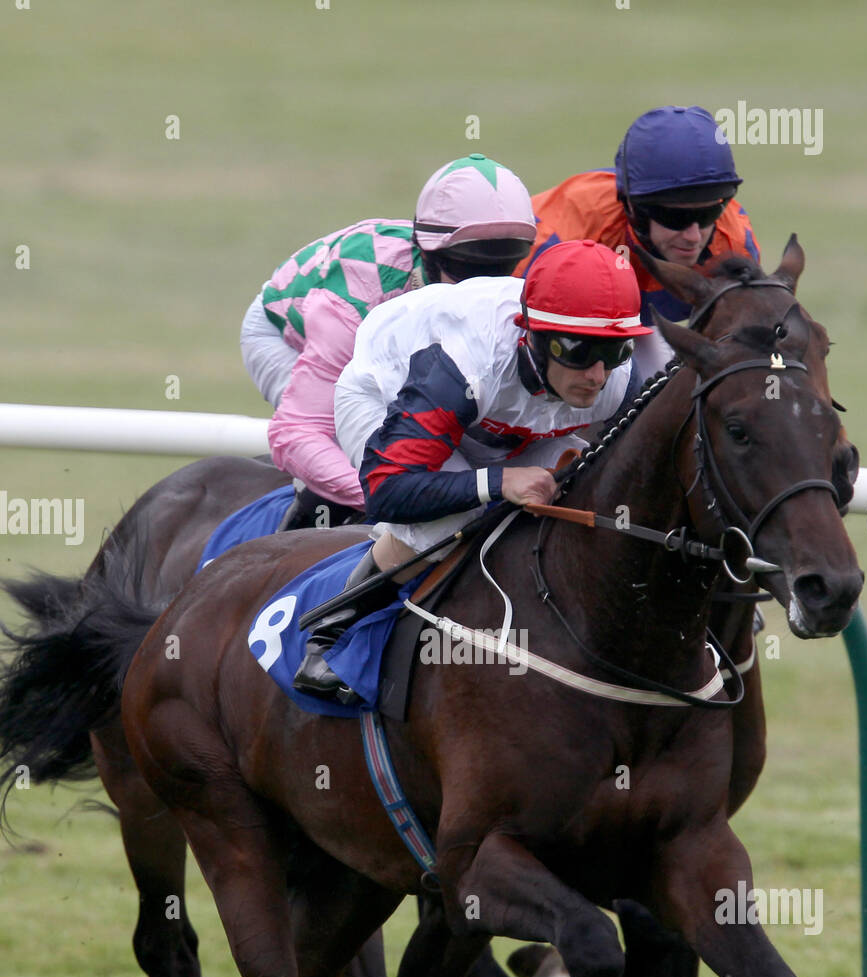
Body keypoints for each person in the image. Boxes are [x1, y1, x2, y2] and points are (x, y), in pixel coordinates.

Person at [293, 238, 652, 697]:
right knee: (448, 522)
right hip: (390, 395)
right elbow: (390, 491)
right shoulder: (464, 365)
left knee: (582, 487)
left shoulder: (615, 381)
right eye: (578, 351)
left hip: (503, 414)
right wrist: (498, 481)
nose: (598, 375)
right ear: (534, 336)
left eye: (616, 351)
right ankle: (331, 633)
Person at [239, 155, 537, 527]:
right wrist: (396, 494)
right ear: (427, 252)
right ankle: (295, 541)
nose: (480, 289)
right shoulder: (351, 305)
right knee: (366, 432)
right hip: (285, 332)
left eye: (501, 269)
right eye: (465, 271)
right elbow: (296, 433)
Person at [515, 105, 761, 378]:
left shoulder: (734, 243)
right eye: (674, 217)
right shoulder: (559, 239)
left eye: (709, 213)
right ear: (632, 208)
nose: (693, 236)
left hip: (637, 326)